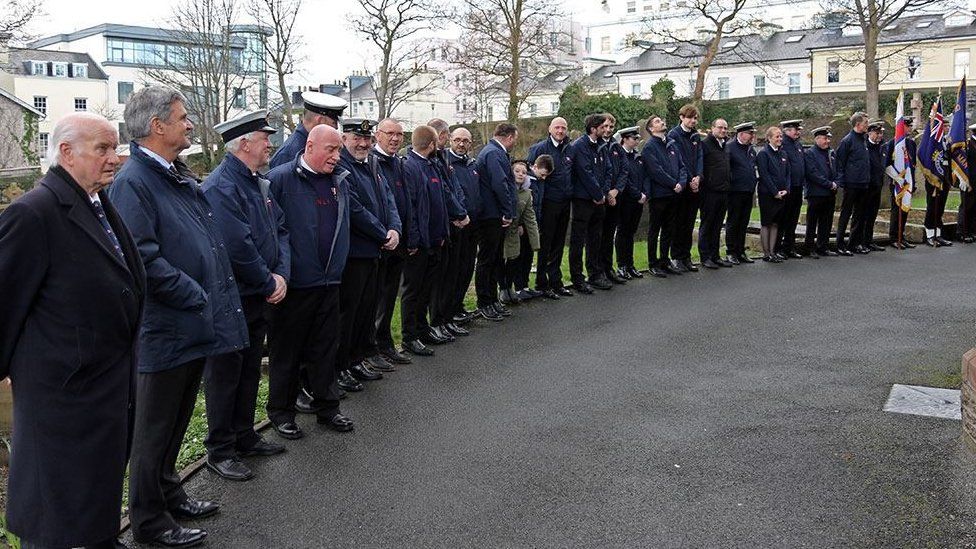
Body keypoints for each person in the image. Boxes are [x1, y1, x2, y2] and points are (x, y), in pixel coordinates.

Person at [111, 85, 248, 547]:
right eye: (183, 117)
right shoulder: (134, 182)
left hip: (191, 323)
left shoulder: (172, 174)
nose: (190, 124)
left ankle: (170, 493)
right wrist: (195, 292)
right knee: (153, 429)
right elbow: (142, 258)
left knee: (175, 421)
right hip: (165, 328)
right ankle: (148, 521)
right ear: (157, 126)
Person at [0, 113, 145, 549]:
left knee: (93, 499)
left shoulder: (97, 202)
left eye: (115, 148)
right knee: (56, 515)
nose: (115, 158)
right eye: (102, 149)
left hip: (103, 390)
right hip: (64, 399)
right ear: (66, 152)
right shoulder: (33, 214)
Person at [201, 110, 288, 482]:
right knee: (225, 374)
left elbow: (279, 228)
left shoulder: (257, 181)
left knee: (250, 367)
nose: (270, 143)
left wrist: (280, 273)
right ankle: (220, 450)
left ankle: (244, 434)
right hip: (234, 297)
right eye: (264, 137)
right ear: (245, 143)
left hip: (257, 293)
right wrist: (269, 282)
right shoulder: (222, 186)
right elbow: (237, 246)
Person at [265, 124, 353, 437]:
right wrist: (279, 272)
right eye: (331, 149)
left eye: (339, 149)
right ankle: (281, 412)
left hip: (329, 282)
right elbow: (271, 230)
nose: (336, 156)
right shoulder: (280, 179)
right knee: (287, 351)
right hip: (294, 285)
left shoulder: (339, 180)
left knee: (326, 349)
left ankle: (328, 408)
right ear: (310, 146)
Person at [335, 118, 402, 390]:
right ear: (344, 140)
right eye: (356, 139)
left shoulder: (371, 163)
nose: (363, 144)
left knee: (366, 311)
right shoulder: (341, 166)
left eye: (366, 139)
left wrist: (395, 227)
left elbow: (388, 199)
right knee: (348, 315)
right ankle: (342, 366)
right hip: (355, 253)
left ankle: (358, 358)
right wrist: (382, 233)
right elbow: (354, 208)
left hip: (374, 250)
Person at [401, 125, 467, 355]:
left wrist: (459, 214)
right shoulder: (410, 167)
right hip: (420, 243)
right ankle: (410, 336)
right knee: (413, 291)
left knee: (426, 290)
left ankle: (422, 328)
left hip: (435, 240)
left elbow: (443, 196)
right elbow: (411, 207)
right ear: (431, 144)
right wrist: (415, 240)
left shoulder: (431, 164)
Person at [370, 118, 414, 366]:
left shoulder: (398, 163)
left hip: (399, 241)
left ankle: (385, 343)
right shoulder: (373, 163)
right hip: (381, 242)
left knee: (388, 297)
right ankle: (373, 347)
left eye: (399, 134)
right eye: (390, 134)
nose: (395, 138)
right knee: (377, 299)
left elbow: (404, 201)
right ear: (378, 135)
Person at [426, 118, 470, 341]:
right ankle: (436, 321)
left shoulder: (442, 158)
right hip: (446, 225)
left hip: (456, 222)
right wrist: (458, 214)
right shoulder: (431, 159)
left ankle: (446, 319)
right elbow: (443, 190)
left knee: (451, 275)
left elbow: (454, 188)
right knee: (440, 280)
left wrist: (461, 210)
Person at [473, 123, 517, 319]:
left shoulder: (493, 152)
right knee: (487, 260)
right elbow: (500, 183)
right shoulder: (493, 153)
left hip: (494, 214)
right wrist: (508, 211)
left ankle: (491, 299)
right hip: (491, 215)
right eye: (515, 138)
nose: (515, 142)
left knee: (494, 259)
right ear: (508, 137)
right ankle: (484, 301)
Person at [528, 117, 574, 299]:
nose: (560, 131)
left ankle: (556, 281)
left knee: (558, 243)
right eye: (557, 127)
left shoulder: (570, 149)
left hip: (565, 201)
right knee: (546, 244)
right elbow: (530, 175)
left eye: (563, 127)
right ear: (550, 129)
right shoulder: (539, 149)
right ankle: (542, 282)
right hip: (548, 202)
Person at [569, 113, 611, 294]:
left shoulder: (601, 146)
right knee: (578, 240)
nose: (605, 130)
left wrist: (603, 193)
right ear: (593, 129)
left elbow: (608, 169)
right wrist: (597, 194)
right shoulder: (579, 147)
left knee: (596, 238)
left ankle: (595, 274)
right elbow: (585, 173)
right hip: (583, 200)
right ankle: (578, 278)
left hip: (598, 200)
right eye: (602, 127)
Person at [642, 114, 687, 278]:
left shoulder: (672, 144)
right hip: (659, 195)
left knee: (669, 229)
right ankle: (653, 263)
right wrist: (673, 183)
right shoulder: (649, 147)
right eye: (657, 121)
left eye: (662, 120)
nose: (662, 122)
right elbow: (655, 171)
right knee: (655, 230)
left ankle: (664, 260)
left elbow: (682, 166)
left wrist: (681, 183)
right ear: (651, 128)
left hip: (674, 194)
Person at [446, 127, 482, 323]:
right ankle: (450, 310)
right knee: (455, 270)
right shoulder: (446, 163)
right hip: (457, 225)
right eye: (457, 140)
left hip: (473, 225)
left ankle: (459, 306)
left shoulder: (472, 164)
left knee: (468, 267)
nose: (461, 144)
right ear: (451, 140)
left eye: (465, 141)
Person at [668, 104, 704, 273]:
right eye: (690, 118)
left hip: (695, 185)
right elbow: (679, 160)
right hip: (682, 184)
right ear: (682, 117)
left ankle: (686, 256)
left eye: (695, 118)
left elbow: (699, 157)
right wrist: (690, 179)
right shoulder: (674, 135)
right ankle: (676, 256)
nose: (693, 121)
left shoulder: (696, 135)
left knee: (689, 223)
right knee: (679, 223)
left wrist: (698, 176)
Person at [269, 91, 347, 169]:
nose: (336, 127)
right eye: (333, 123)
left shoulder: (300, 147)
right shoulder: (287, 155)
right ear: (320, 121)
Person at [500, 160, 541, 302]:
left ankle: (509, 288)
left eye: (524, 172)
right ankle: (503, 289)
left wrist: (535, 242)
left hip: (514, 231)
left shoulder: (527, 194)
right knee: (500, 261)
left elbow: (530, 217)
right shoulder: (504, 188)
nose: (521, 174)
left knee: (513, 259)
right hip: (502, 229)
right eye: (517, 171)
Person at [597, 113, 629, 284]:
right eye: (605, 126)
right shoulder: (595, 146)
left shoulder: (616, 147)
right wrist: (606, 193)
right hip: (601, 198)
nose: (608, 130)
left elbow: (625, 170)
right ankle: (598, 271)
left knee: (609, 235)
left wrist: (616, 190)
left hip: (616, 198)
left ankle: (608, 268)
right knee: (598, 236)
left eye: (611, 127)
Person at [613, 126, 647, 279]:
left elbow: (644, 176)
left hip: (638, 200)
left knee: (631, 233)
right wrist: (637, 194)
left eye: (637, 138)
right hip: (626, 200)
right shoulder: (620, 157)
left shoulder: (637, 156)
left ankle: (630, 264)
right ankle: (622, 265)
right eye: (634, 138)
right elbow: (624, 180)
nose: (637, 141)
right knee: (623, 232)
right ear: (625, 139)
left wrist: (644, 193)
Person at [835, 112, 871, 256]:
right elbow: (840, 163)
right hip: (851, 183)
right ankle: (840, 244)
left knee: (860, 214)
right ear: (858, 124)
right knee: (846, 214)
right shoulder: (847, 141)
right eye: (865, 123)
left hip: (863, 183)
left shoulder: (863, 139)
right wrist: (842, 181)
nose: (867, 126)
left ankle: (854, 243)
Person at [698, 118, 732, 269]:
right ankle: (705, 257)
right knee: (707, 225)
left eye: (725, 128)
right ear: (712, 128)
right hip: (709, 192)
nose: (723, 131)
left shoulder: (724, 145)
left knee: (718, 225)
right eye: (720, 128)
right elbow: (702, 167)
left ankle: (715, 255)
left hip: (723, 191)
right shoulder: (705, 144)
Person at [804, 126, 840, 258]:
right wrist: (829, 184)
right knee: (812, 222)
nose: (828, 141)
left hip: (830, 193)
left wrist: (837, 182)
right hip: (816, 193)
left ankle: (823, 246)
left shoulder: (831, 152)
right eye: (825, 138)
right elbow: (812, 173)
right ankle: (810, 248)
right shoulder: (810, 153)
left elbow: (837, 169)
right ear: (817, 139)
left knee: (826, 221)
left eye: (828, 138)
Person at [756, 126, 790, 262]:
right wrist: (775, 192)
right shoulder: (763, 154)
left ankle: (773, 251)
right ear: (769, 138)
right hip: (767, 194)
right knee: (767, 222)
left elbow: (788, 174)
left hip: (781, 194)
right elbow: (764, 175)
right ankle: (766, 253)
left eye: (781, 136)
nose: (780, 139)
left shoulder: (783, 154)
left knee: (775, 223)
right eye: (777, 136)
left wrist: (786, 189)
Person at [726, 122, 759, 265]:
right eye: (750, 133)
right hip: (735, 191)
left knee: (743, 222)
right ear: (741, 134)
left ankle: (740, 250)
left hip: (748, 190)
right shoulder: (730, 148)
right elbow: (728, 169)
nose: (752, 136)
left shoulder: (750, 150)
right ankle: (731, 251)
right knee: (733, 222)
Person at [774, 120, 806, 259]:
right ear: (786, 130)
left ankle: (789, 247)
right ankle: (778, 248)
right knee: (784, 219)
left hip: (798, 186)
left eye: (798, 129)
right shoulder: (783, 144)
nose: (797, 132)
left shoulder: (798, 144)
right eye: (794, 129)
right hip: (788, 187)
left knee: (793, 219)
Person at [886, 117, 918, 249]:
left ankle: (901, 235)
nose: (910, 128)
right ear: (900, 127)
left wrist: (912, 182)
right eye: (908, 126)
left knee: (905, 209)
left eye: (910, 126)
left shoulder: (911, 143)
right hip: (897, 182)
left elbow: (912, 164)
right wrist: (898, 179)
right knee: (896, 210)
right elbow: (887, 164)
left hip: (908, 182)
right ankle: (894, 237)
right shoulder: (892, 143)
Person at [861, 120, 887, 252]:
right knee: (864, 215)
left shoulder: (882, 146)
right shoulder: (865, 146)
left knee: (872, 215)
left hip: (877, 185)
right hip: (867, 186)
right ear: (870, 133)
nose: (879, 136)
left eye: (881, 133)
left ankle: (869, 240)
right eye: (877, 133)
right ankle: (862, 241)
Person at [962, 123, 976, 243]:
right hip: (969, 181)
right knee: (967, 206)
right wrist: (966, 180)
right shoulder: (967, 145)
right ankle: (963, 232)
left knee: (974, 207)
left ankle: (972, 231)